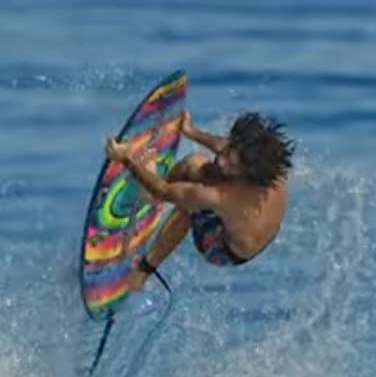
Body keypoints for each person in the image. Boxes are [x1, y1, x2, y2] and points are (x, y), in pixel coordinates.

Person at [105, 110, 294, 291]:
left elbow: (164, 190)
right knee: (199, 165)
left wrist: (127, 159)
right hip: (251, 231)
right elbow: (228, 146)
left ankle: (142, 273)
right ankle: (153, 196)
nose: (221, 162)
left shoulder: (227, 198)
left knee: (190, 195)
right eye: (228, 154)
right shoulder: (269, 165)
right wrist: (191, 131)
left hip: (224, 250)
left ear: (247, 173)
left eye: (232, 166)